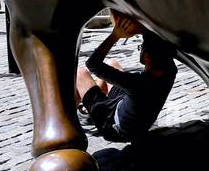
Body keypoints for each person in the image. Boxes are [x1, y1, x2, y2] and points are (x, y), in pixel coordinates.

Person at [74, 13, 178, 142]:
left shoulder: (136, 83)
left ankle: (69, 116)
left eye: (141, 47)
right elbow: (160, 45)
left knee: (80, 73)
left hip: (114, 128)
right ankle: (88, 109)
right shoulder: (170, 72)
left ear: (146, 57)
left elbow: (92, 64)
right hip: (136, 117)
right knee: (111, 63)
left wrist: (115, 35)